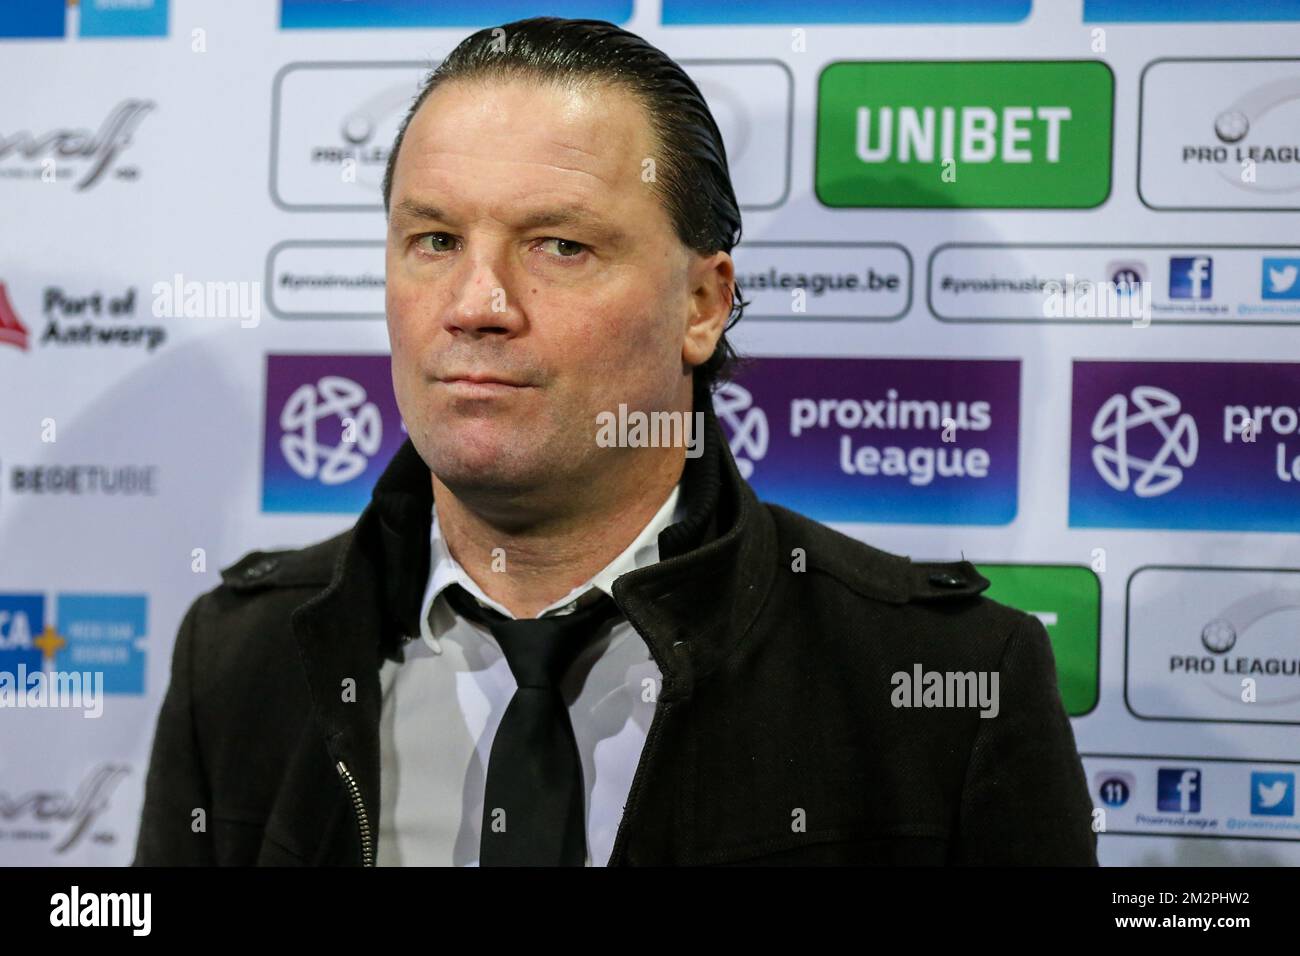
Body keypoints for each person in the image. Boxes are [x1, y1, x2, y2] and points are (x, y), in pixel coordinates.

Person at [132, 16, 1097, 866]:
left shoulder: (950, 684)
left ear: (702, 305)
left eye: (560, 245)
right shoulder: (239, 657)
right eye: (436, 241)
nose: (477, 304)